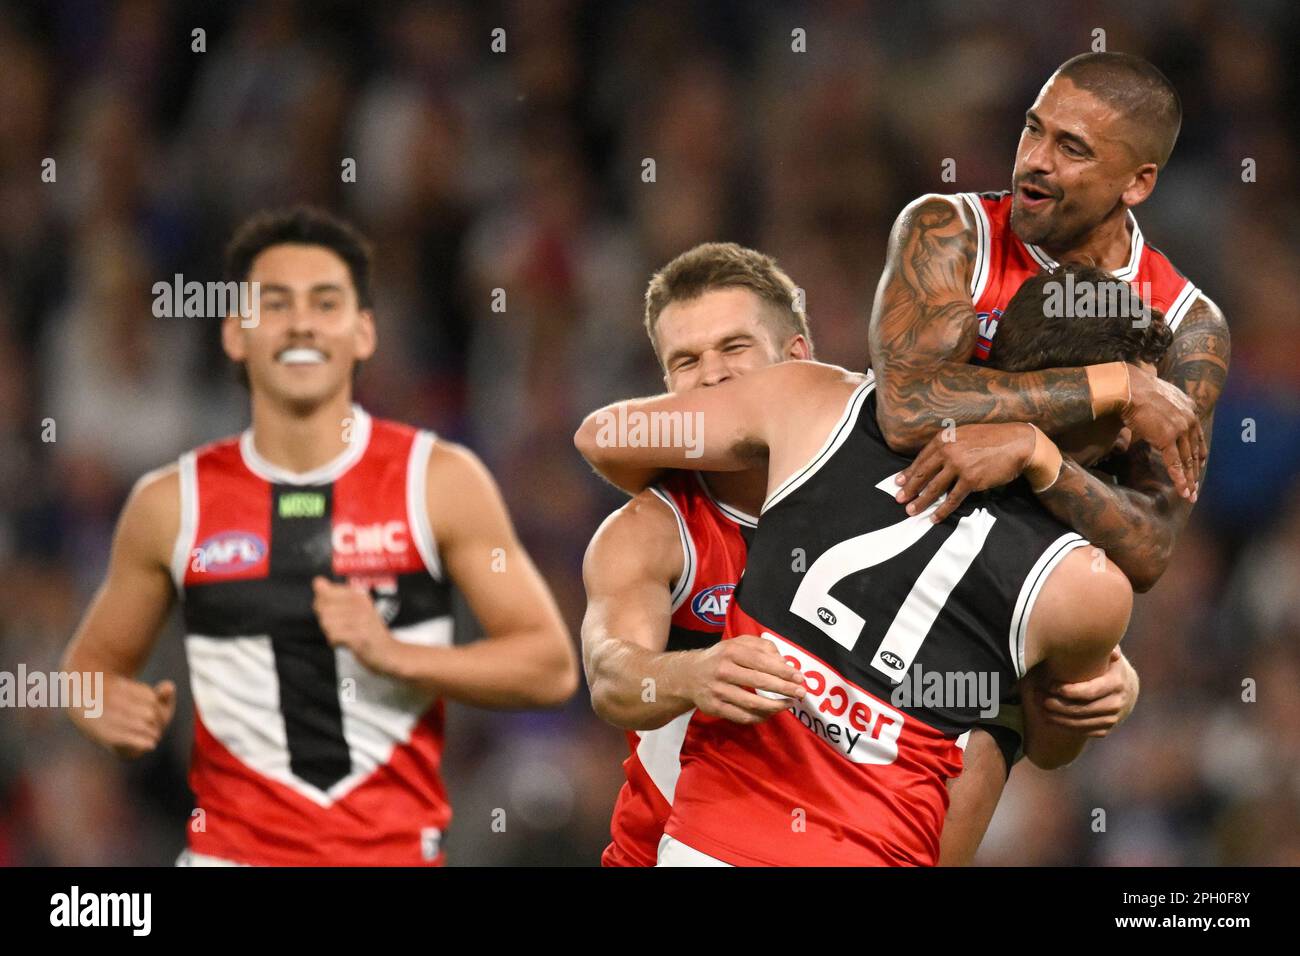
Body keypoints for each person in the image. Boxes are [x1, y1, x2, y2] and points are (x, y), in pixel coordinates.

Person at [578, 258, 1152, 865]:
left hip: (816, 839)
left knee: (988, 728)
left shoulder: (860, 435)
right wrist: (690, 675)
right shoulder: (660, 528)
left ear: (797, 356)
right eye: (685, 363)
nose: (714, 377)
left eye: (734, 348)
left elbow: (1014, 657)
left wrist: (1107, 675)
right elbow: (609, 674)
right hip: (665, 847)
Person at [61, 206, 578, 866]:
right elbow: (88, 669)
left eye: (326, 302)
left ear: (364, 332)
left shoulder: (439, 480)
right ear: (233, 334)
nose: (301, 322)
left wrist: (398, 656)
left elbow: (549, 665)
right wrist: (101, 706)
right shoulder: (171, 502)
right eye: (275, 303)